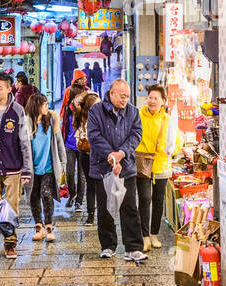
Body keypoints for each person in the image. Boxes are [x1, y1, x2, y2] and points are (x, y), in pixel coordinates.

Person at [87, 79, 144, 261]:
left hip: (126, 166)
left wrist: (121, 153)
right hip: (102, 167)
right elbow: (94, 135)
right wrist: (111, 156)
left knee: (130, 208)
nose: (125, 100)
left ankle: (133, 248)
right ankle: (108, 245)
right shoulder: (96, 111)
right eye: (122, 96)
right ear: (111, 94)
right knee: (104, 209)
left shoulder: (133, 112)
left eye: (127, 96)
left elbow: (136, 134)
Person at [0, 71, 33, 258]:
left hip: (13, 167)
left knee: (11, 207)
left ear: (10, 89)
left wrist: (26, 170)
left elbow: (24, 142)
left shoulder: (17, 111)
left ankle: (10, 242)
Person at [136, 84, 179, 252]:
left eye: (156, 98)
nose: (152, 101)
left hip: (161, 164)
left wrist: (172, 150)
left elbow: (177, 141)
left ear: (163, 101)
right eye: (150, 97)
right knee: (145, 199)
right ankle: (144, 236)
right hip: (143, 163)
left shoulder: (168, 119)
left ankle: (154, 234)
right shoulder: (139, 116)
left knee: (158, 201)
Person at [25, 93, 66, 242]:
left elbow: (60, 144)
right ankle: (38, 226)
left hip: (49, 166)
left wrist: (62, 165)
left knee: (46, 194)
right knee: (33, 196)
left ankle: (48, 226)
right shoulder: (26, 123)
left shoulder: (52, 120)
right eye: (44, 105)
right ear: (37, 106)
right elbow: (22, 147)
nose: (47, 107)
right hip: (31, 168)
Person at [61, 82, 88, 211]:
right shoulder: (67, 109)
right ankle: (72, 194)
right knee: (70, 173)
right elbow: (64, 126)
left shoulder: (86, 109)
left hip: (82, 146)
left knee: (82, 176)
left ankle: (79, 202)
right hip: (69, 144)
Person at [76, 91, 101, 222]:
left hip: (98, 154)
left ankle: (96, 213)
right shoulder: (82, 116)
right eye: (96, 104)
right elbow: (76, 101)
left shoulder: (99, 116)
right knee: (91, 183)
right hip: (86, 154)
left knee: (97, 184)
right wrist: (88, 93)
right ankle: (91, 213)